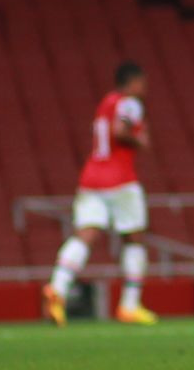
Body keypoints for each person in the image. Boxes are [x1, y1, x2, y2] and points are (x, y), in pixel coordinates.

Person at [43, 61, 158, 326]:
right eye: (143, 83)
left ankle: (57, 288)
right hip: (120, 178)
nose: (145, 88)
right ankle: (130, 305)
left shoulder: (106, 102)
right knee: (134, 238)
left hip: (91, 177)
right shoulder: (130, 103)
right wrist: (139, 139)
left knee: (86, 234)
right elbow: (120, 130)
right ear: (134, 82)